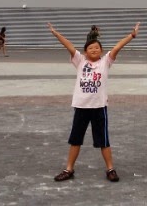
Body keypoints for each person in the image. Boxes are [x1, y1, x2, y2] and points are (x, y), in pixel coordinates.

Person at [48, 21, 140, 183]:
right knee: (75, 139)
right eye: (90, 48)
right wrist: (56, 34)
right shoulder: (80, 61)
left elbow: (117, 47)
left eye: (97, 48)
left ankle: (110, 169)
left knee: (103, 140)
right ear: (85, 52)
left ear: (101, 50)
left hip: (99, 108)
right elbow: (69, 46)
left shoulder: (105, 62)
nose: (94, 50)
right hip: (81, 107)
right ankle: (68, 169)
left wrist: (131, 36)